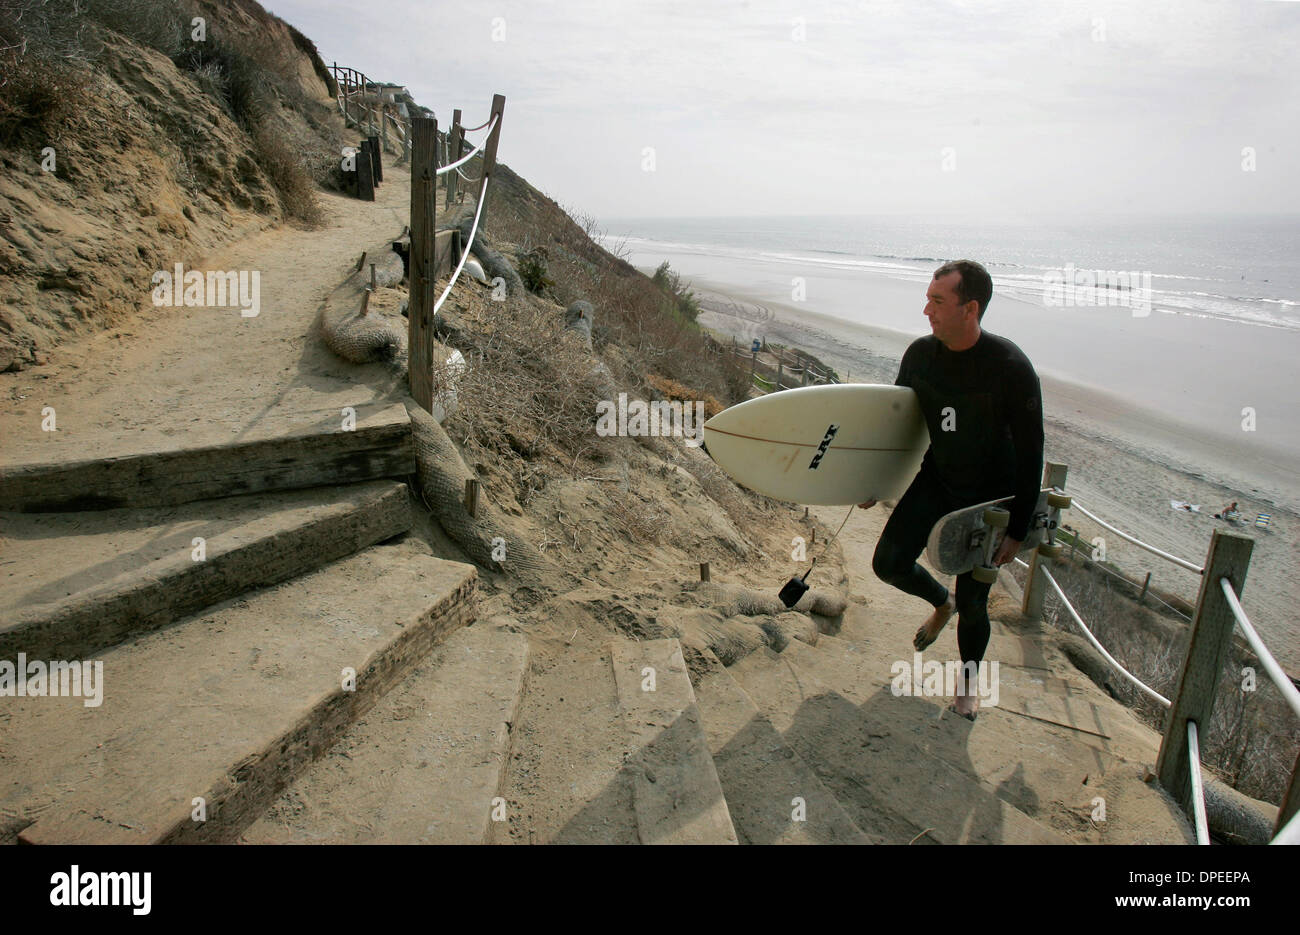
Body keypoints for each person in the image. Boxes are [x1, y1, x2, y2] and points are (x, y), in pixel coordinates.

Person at [858, 260, 1044, 720]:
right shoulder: (921, 355)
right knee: (887, 564)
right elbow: (898, 425)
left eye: (938, 301)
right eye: (928, 298)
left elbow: (1032, 450)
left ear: (971, 308)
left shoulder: (1011, 368)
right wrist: (876, 479)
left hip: (989, 502)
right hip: (937, 479)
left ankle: (966, 686)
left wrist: (1017, 529)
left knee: (977, 603)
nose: (926, 310)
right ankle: (942, 603)